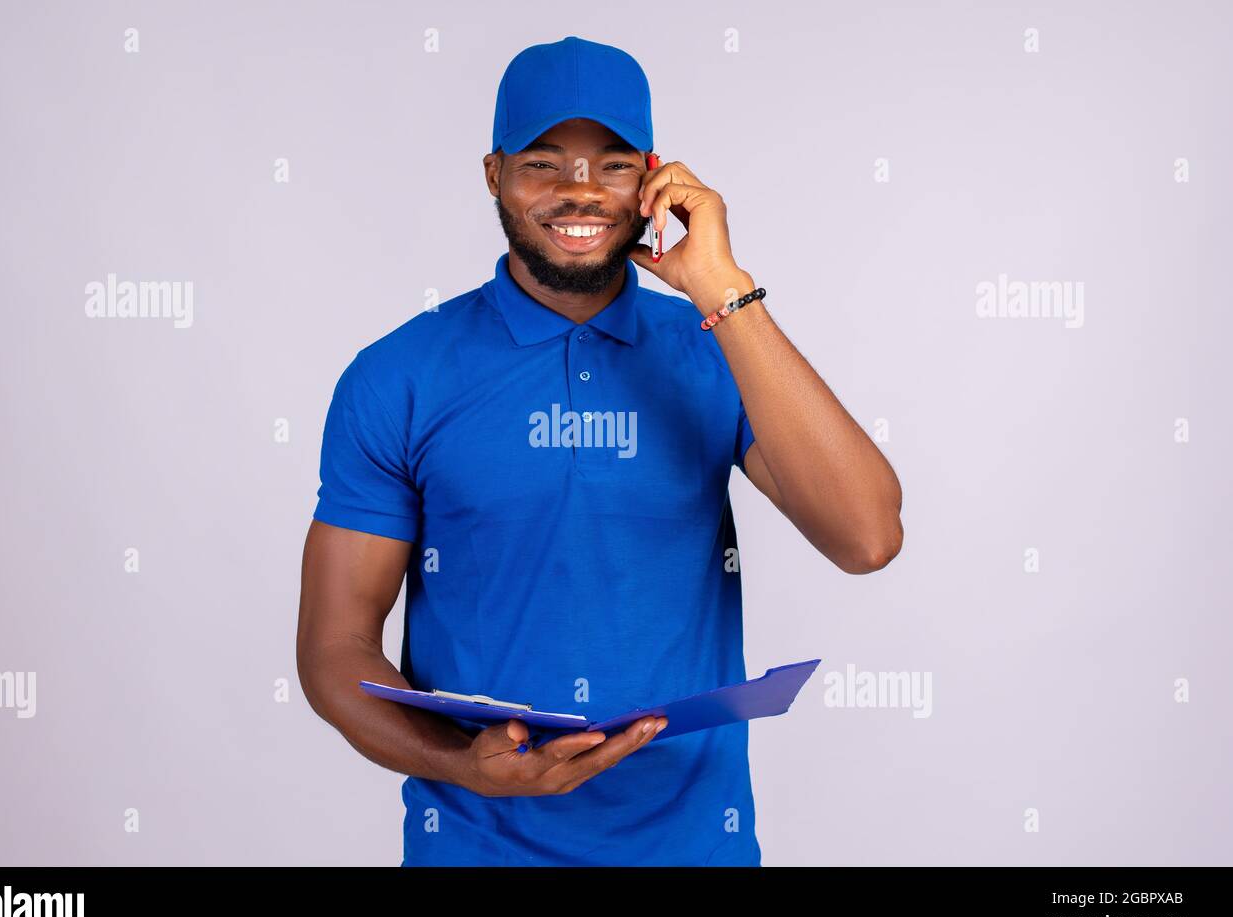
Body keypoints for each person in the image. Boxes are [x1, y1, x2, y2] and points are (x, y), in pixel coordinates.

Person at [296, 36, 903, 866]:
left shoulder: (716, 347)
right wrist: (462, 764)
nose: (579, 191)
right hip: (476, 848)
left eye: (613, 166)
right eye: (544, 163)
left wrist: (722, 287)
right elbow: (335, 651)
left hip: (695, 847)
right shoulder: (397, 376)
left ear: (654, 179)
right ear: (493, 175)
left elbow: (867, 537)